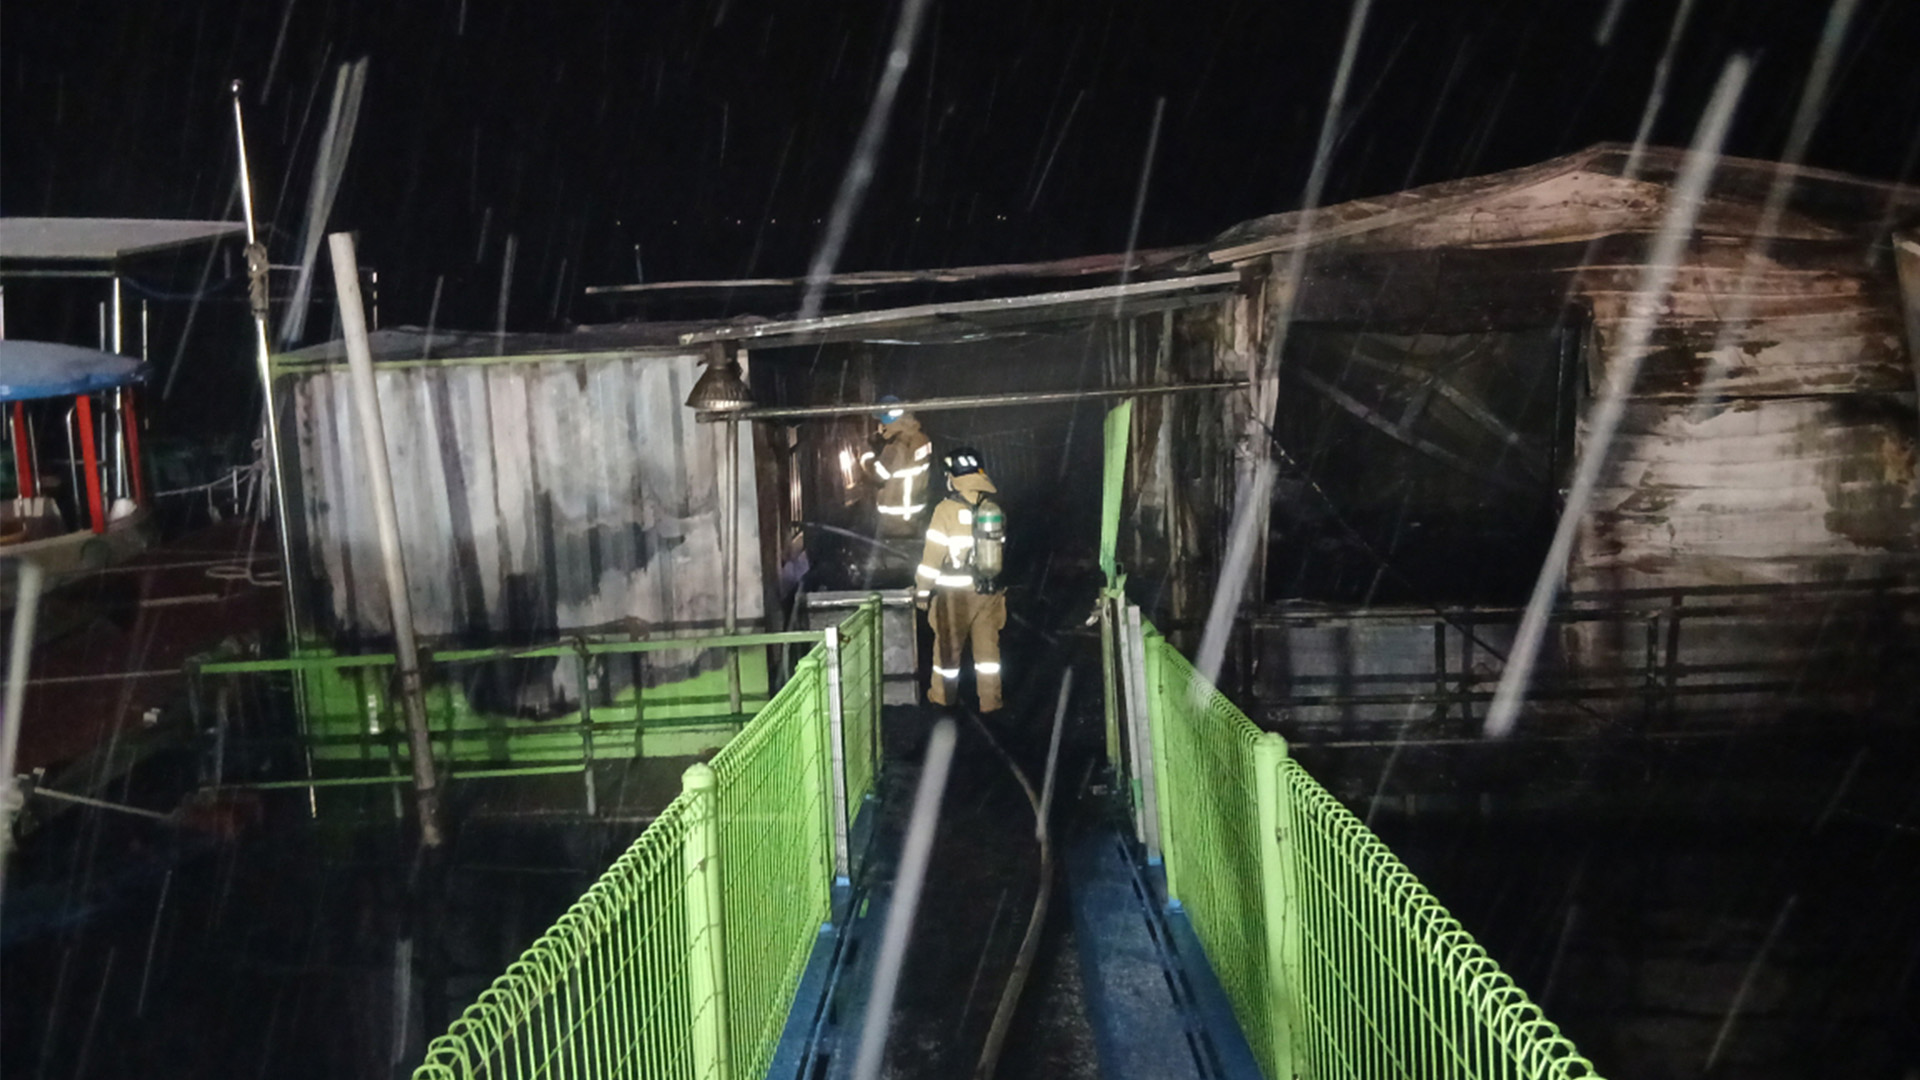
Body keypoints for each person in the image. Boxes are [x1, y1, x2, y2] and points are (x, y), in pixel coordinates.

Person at [916, 447, 1007, 713]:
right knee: (988, 655)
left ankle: (943, 702)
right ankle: (991, 704)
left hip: (953, 596)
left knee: (947, 652)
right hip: (989, 593)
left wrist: (922, 592)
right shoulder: (993, 509)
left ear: (951, 477)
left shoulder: (944, 511)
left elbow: (932, 558)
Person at [858, 396, 933, 538]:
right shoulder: (921, 438)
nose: (880, 425)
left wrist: (865, 455)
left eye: (881, 420)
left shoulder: (897, 446)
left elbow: (879, 474)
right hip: (915, 513)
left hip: (896, 520)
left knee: (896, 556)